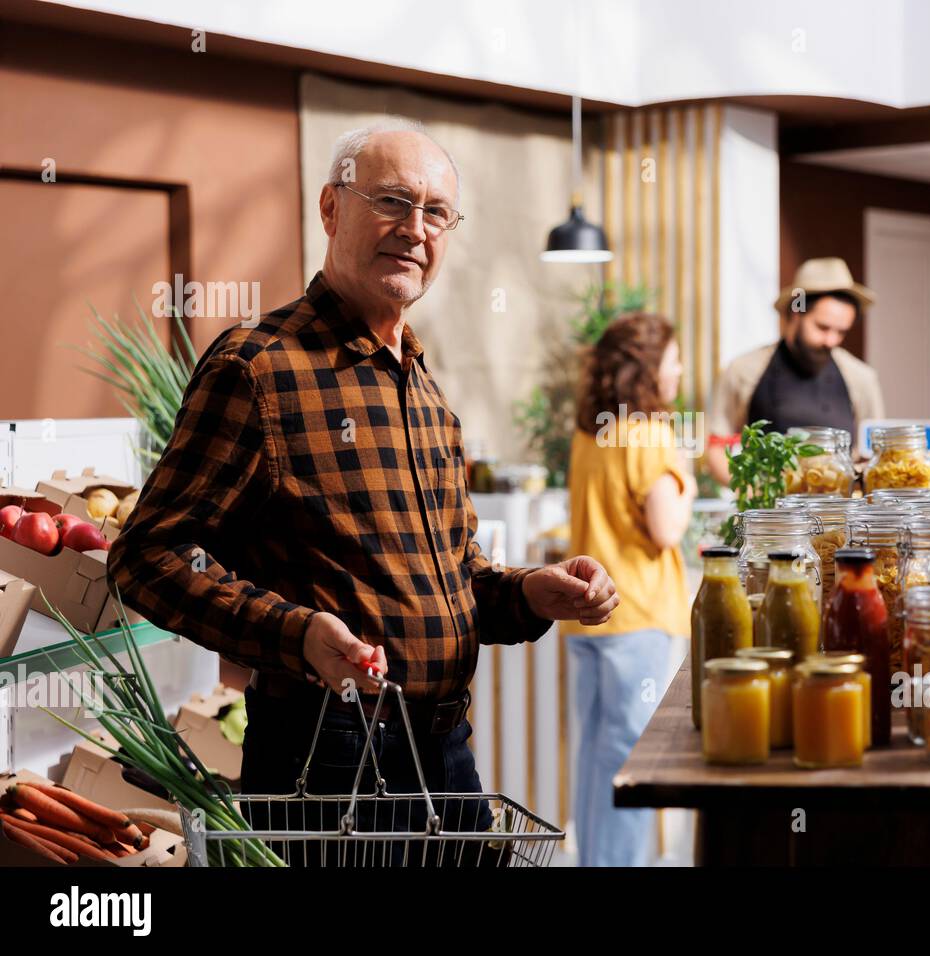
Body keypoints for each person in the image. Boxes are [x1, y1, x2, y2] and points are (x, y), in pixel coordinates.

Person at [108, 119, 619, 864]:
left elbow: (456, 577)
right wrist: (298, 637)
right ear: (330, 209)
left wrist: (532, 593)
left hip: (445, 750)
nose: (415, 229)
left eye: (436, 212)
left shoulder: (422, 386)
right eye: (391, 201)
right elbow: (146, 556)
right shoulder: (258, 367)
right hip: (329, 760)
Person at [563, 313, 696, 866]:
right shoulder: (649, 435)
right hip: (637, 617)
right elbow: (666, 528)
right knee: (630, 763)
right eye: (674, 359)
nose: (681, 368)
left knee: (595, 761)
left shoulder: (590, 431)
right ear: (649, 369)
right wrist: (684, 477)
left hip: (588, 618)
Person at [705, 256, 886, 485]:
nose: (831, 340)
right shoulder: (743, 370)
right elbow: (717, 446)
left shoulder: (862, 378)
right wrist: (750, 493)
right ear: (795, 312)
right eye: (822, 327)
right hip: (770, 513)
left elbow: (874, 451)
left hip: (836, 510)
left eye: (841, 332)